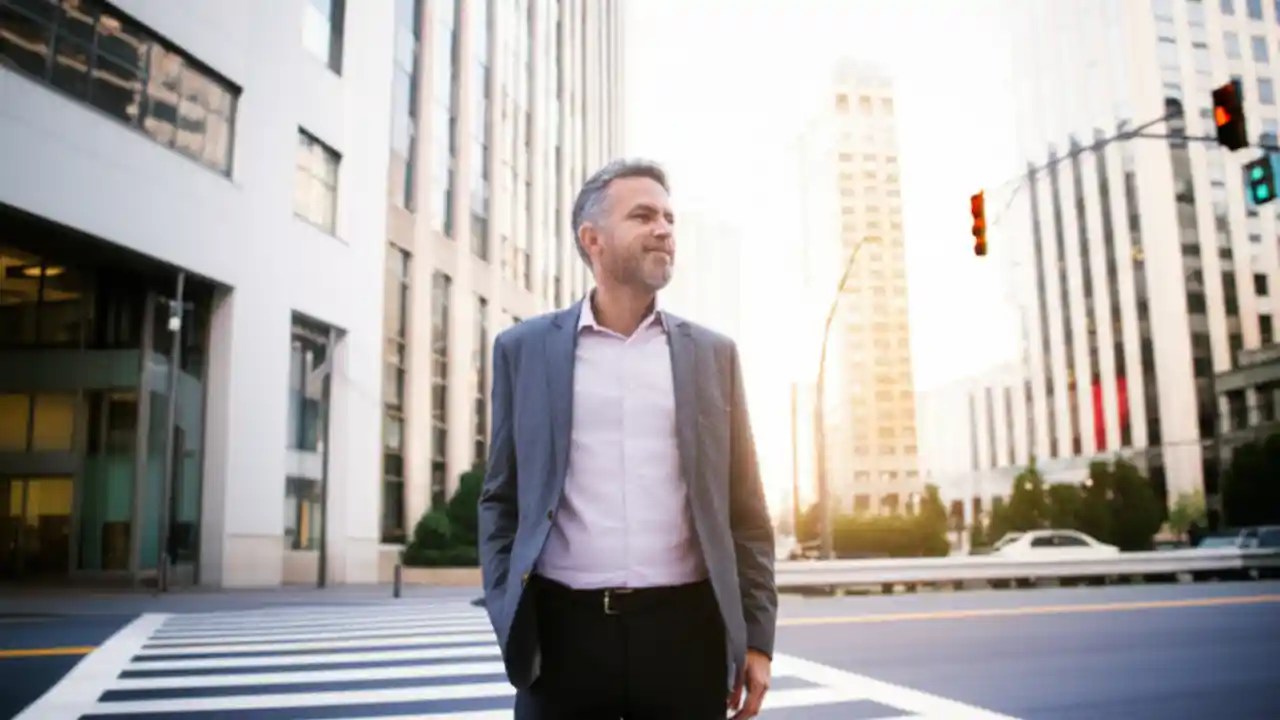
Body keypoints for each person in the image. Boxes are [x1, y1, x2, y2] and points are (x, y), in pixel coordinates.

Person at [478, 158, 777, 719]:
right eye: (643, 216)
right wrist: (505, 607)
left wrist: (757, 638)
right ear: (592, 239)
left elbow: (747, 511)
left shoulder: (713, 355)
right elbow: (501, 496)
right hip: (562, 640)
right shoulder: (523, 350)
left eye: (668, 217)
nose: (664, 228)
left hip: (686, 637)